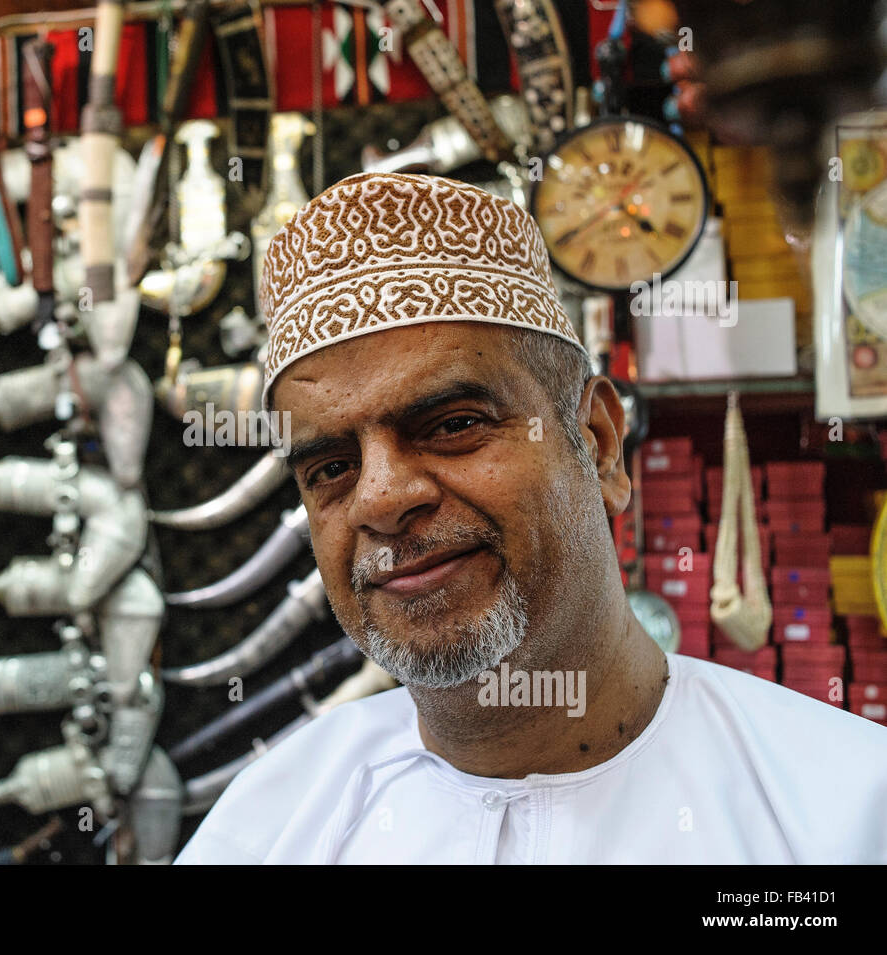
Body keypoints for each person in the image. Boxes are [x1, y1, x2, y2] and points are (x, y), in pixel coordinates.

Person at [175, 172, 887, 864]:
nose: (381, 499)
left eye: (453, 424)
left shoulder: (841, 813)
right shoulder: (266, 828)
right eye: (331, 468)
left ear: (602, 443)